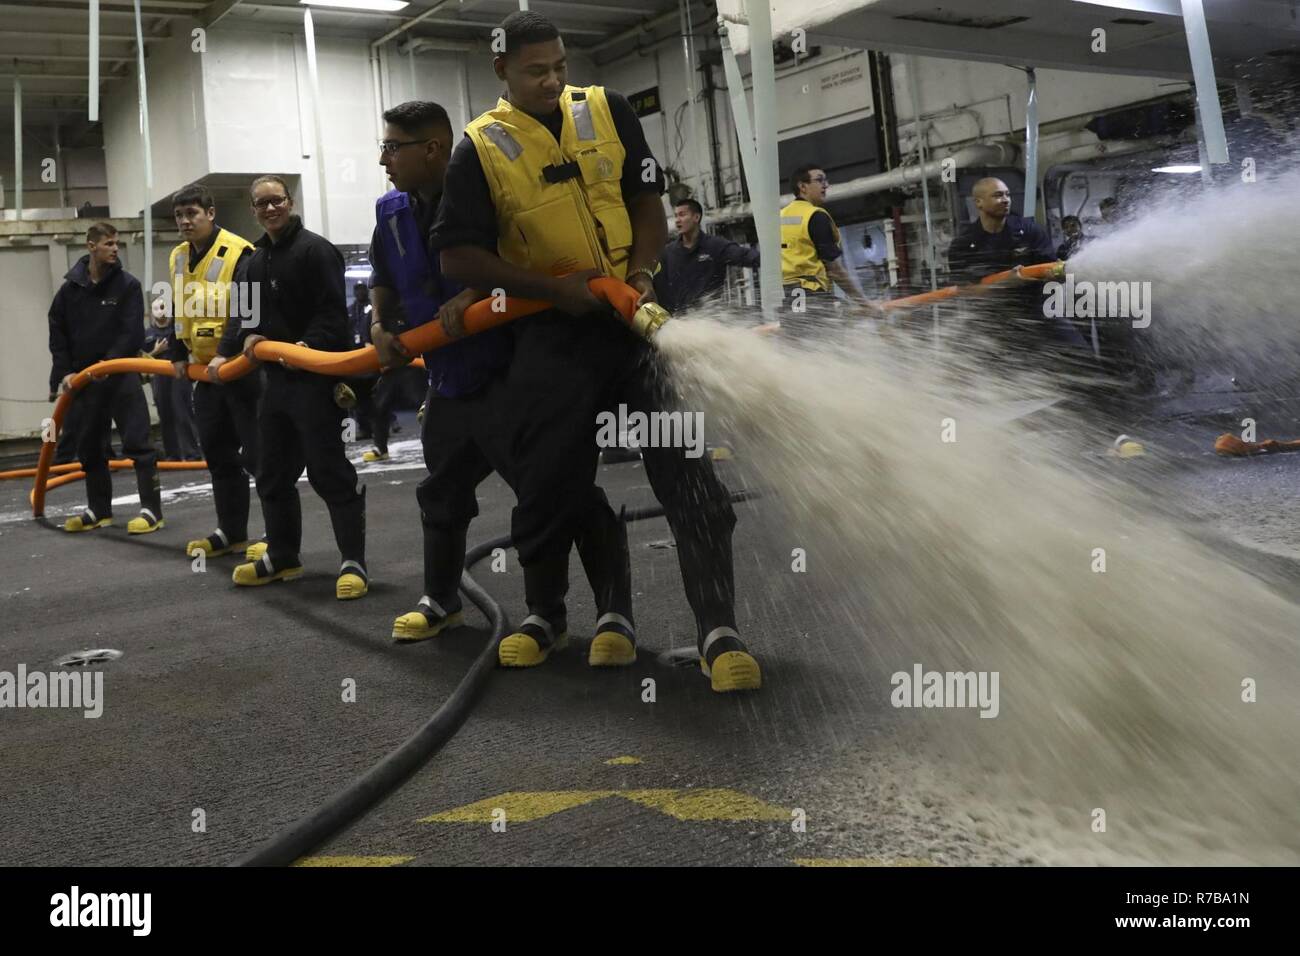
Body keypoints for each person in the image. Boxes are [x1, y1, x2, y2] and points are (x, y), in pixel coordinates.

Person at [433, 11, 759, 691]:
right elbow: (459, 254)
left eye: (559, 66)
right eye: (535, 71)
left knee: (685, 471)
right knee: (551, 485)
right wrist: (550, 289)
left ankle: (718, 629)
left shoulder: (607, 109)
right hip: (554, 340)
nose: (552, 80)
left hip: (634, 325)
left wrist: (639, 274)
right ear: (503, 71)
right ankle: (565, 616)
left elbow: (646, 202)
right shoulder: (480, 147)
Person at [367, 98, 633, 650]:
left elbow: (530, 258)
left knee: (561, 491)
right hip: (448, 378)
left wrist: (476, 290)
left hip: (510, 372)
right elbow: (383, 273)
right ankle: (442, 601)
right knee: (441, 492)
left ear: (433, 148)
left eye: (392, 147)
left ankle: (604, 614)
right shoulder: (390, 211)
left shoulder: (490, 191)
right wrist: (378, 323)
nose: (383, 159)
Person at [216, 177, 368, 599]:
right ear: (252, 209)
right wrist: (233, 347)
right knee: (271, 472)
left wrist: (306, 347)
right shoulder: (252, 260)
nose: (270, 209)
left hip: (315, 380)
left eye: (276, 201)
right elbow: (244, 315)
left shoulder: (316, 251)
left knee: (328, 471)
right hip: (276, 384)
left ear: (290, 202)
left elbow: (335, 316)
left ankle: (353, 562)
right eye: (261, 204)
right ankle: (283, 556)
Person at [48, 222, 164, 534]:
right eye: (109, 243)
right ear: (91, 246)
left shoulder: (127, 285)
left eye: (116, 243)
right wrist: (66, 372)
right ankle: (99, 511)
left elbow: (132, 333)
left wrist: (107, 364)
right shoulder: (69, 291)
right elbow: (57, 333)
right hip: (85, 382)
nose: (115, 248)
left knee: (139, 443)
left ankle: (152, 511)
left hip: (120, 377)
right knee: (90, 448)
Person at [779, 163, 875, 336]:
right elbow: (835, 271)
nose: (826, 185)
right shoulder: (815, 216)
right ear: (803, 186)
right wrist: (864, 303)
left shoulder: (780, 216)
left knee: (798, 353)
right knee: (826, 350)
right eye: (819, 180)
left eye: (826, 180)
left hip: (789, 297)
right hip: (813, 297)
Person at [654, 198, 759, 313]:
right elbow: (659, 287)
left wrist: (772, 260)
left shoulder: (714, 246)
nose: (677, 220)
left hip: (710, 318)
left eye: (682, 215)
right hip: (679, 321)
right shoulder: (668, 253)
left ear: (696, 217)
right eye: (676, 216)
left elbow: (744, 256)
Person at [144, 296, 201, 461]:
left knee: (183, 412)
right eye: (157, 308)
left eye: (163, 307)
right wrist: (156, 351)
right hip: (158, 378)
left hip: (179, 375)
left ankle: (192, 453)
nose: (160, 311)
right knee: (166, 415)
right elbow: (140, 358)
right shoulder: (147, 334)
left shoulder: (178, 330)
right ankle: (173, 455)